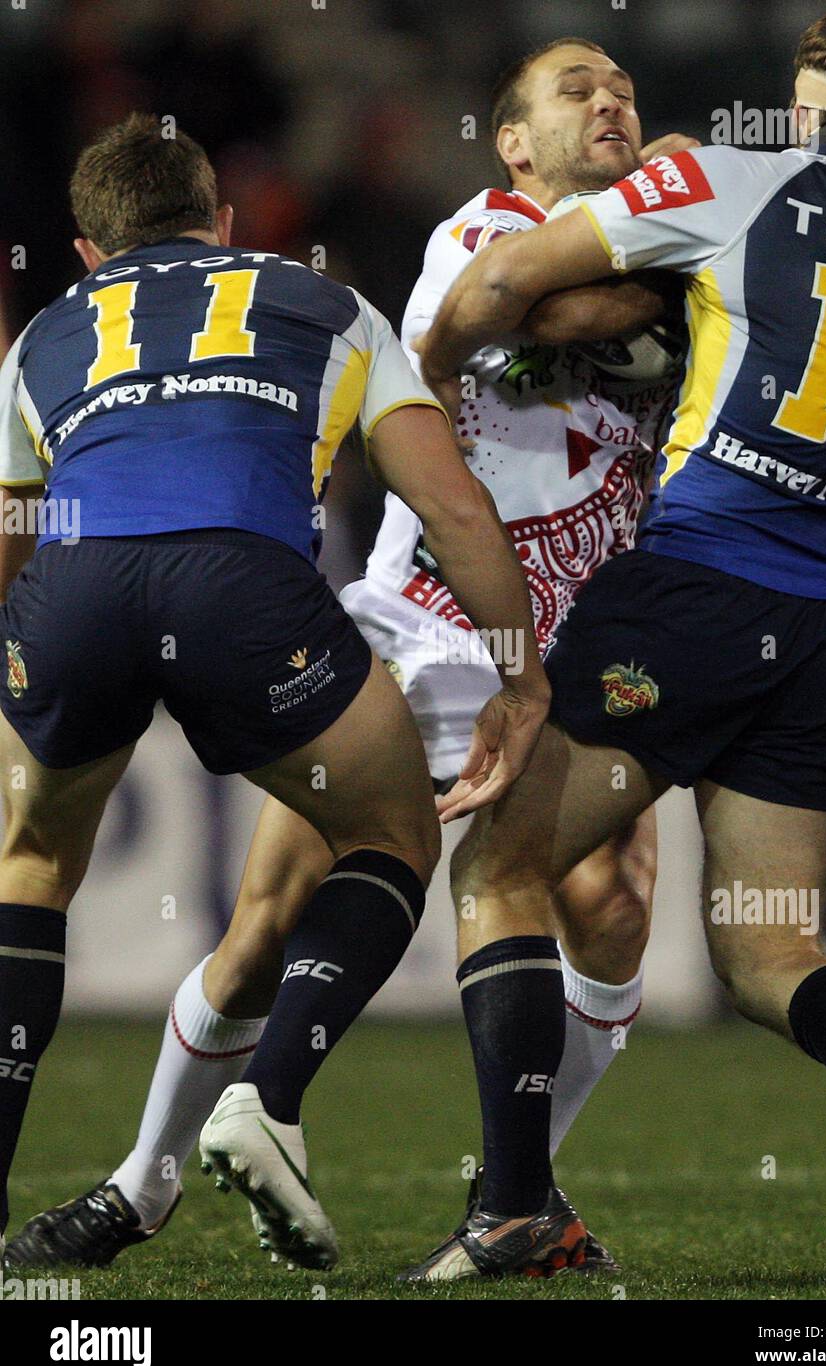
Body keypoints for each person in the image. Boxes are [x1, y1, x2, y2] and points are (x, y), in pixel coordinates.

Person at [7, 38, 692, 1277]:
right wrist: (673, 285)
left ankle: (515, 1190)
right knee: (269, 919)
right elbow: (516, 320)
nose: (612, 102)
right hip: (433, 620)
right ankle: (142, 1179)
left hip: (579, 630)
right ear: (514, 143)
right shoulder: (477, 233)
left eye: (626, 92)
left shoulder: (680, 250)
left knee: (614, 904)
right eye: (575, 90)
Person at [403, 0, 826, 1281]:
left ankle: (517, 1205)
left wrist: (425, 391)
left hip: (696, 593)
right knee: (770, 953)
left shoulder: (736, 177)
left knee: (499, 868)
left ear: (802, 108)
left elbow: (496, 284)